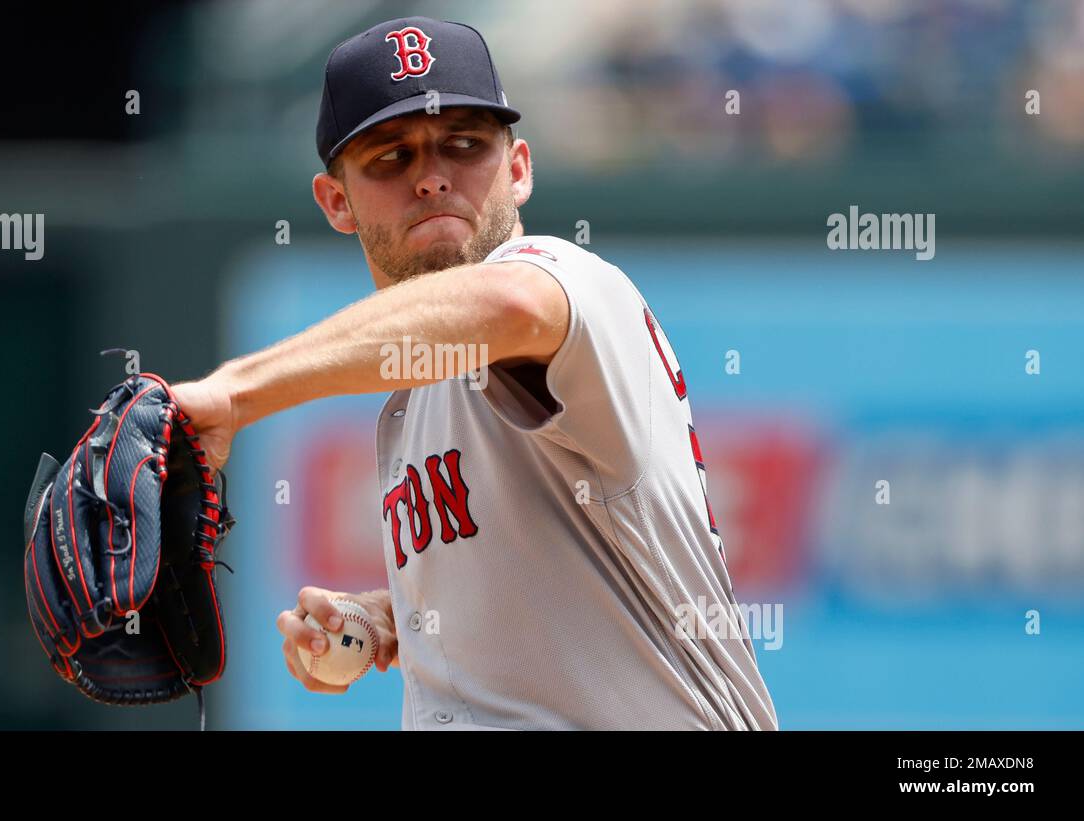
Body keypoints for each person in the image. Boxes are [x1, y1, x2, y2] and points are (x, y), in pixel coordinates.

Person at [172, 16, 778, 730]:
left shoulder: (570, 283)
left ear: (518, 168)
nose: (432, 176)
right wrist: (386, 617)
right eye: (390, 156)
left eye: (463, 144)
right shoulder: (420, 393)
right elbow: (544, 585)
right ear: (336, 201)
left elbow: (512, 306)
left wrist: (234, 392)